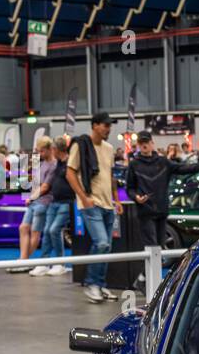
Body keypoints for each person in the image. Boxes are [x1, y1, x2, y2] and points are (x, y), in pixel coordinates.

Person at [126, 132, 199, 259]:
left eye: (146, 142)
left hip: (161, 211)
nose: (144, 145)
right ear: (138, 145)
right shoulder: (134, 164)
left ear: (152, 143)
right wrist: (136, 197)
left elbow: (183, 168)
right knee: (152, 248)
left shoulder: (164, 162)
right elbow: (129, 188)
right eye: (141, 143)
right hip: (145, 212)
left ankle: (147, 276)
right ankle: (148, 276)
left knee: (159, 247)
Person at [65, 112, 120, 303]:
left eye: (109, 125)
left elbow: (111, 175)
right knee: (102, 243)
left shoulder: (109, 148)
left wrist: (116, 200)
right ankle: (92, 284)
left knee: (106, 247)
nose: (108, 128)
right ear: (95, 125)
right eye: (105, 125)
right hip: (91, 203)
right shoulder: (81, 145)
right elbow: (70, 173)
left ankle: (100, 284)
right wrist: (84, 198)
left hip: (107, 205)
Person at [10, 136, 55, 272]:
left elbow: (45, 187)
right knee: (23, 228)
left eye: (41, 151)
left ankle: (24, 261)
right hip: (34, 201)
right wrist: (28, 196)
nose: (39, 154)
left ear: (49, 149)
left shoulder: (53, 165)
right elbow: (35, 183)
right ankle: (23, 260)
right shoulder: (41, 164)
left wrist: (31, 197)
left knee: (35, 232)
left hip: (44, 202)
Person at [37, 136, 74, 275]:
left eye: (53, 148)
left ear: (57, 149)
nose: (52, 151)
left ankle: (60, 263)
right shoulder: (57, 163)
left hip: (66, 202)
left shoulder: (70, 162)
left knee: (54, 230)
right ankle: (44, 263)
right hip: (54, 202)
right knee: (46, 231)